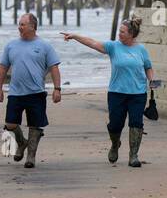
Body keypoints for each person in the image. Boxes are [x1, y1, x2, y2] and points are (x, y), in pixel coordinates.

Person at [62, 17, 154, 167]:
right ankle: (115, 144)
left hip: (138, 94)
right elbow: (92, 43)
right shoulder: (113, 47)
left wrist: (151, 81)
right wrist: (75, 36)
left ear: (131, 34)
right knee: (115, 125)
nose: (119, 34)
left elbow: (148, 67)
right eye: (119, 31)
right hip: (116, 93)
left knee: (136, 123)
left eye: (122, 32)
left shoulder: (141, 49)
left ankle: (133, 156)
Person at [0, 12, 62, 169]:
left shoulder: (45, 46)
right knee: (10, 123)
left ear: (32, 26)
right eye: (19, 24)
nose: (19, 27)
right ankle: (21, 142)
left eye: (22, 24)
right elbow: (2, 68)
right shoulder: (11, 45)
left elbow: (54, 68)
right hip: (15, 93)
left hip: (36, 93)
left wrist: (57, 89)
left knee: (35, 126)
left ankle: (31, 156)